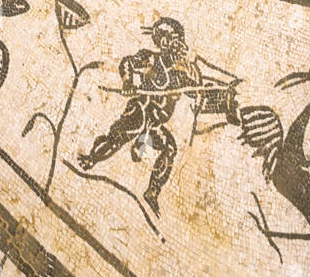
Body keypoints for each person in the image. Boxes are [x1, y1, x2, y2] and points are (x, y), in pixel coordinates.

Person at [75, 18, 239, 215]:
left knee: (169, 148)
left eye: (181, 41)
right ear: (164, 42)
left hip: (155, 123)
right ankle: (92, 158)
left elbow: (199, 93)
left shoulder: (182, 73)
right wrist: (128, 82)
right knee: (119, 137)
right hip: (141, 110)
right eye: (176, 41)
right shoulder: (151, 59)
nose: (180, 46)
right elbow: (127, 63)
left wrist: (225, 101)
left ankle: (152, 191)